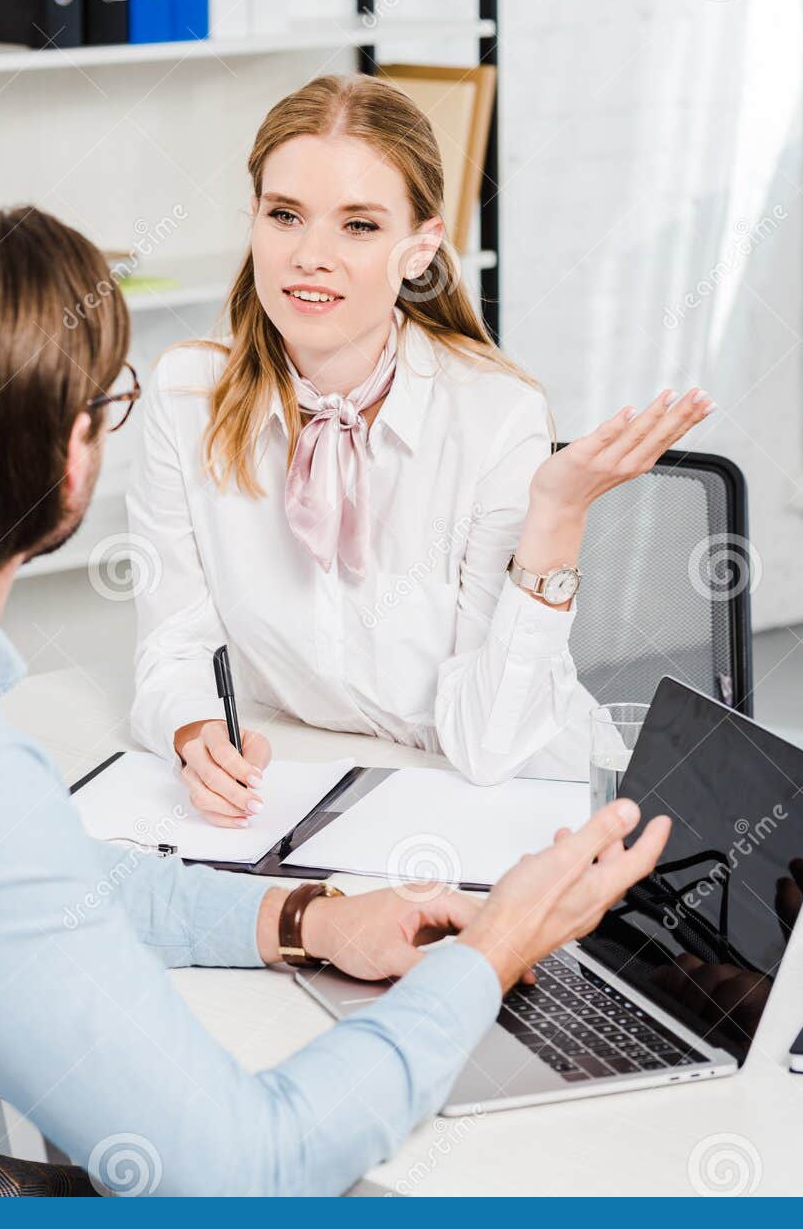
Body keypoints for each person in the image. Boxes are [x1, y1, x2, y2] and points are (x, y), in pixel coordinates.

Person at [0, 203, 669, 1199]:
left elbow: (30, 878)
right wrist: (488, 953)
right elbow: (241, 1169)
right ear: (70, 459)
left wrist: (303, 916)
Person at [127, 74, 714, 824]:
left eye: (359, 226)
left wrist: (557, 514)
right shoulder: (186, 399)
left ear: (419, 249)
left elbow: (489, 743)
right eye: (285, 215)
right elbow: (174, 645)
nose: (310, 255)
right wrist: (195, 731)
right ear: (253, 221)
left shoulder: (496, 416)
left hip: (525, 800)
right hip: (326, 787)